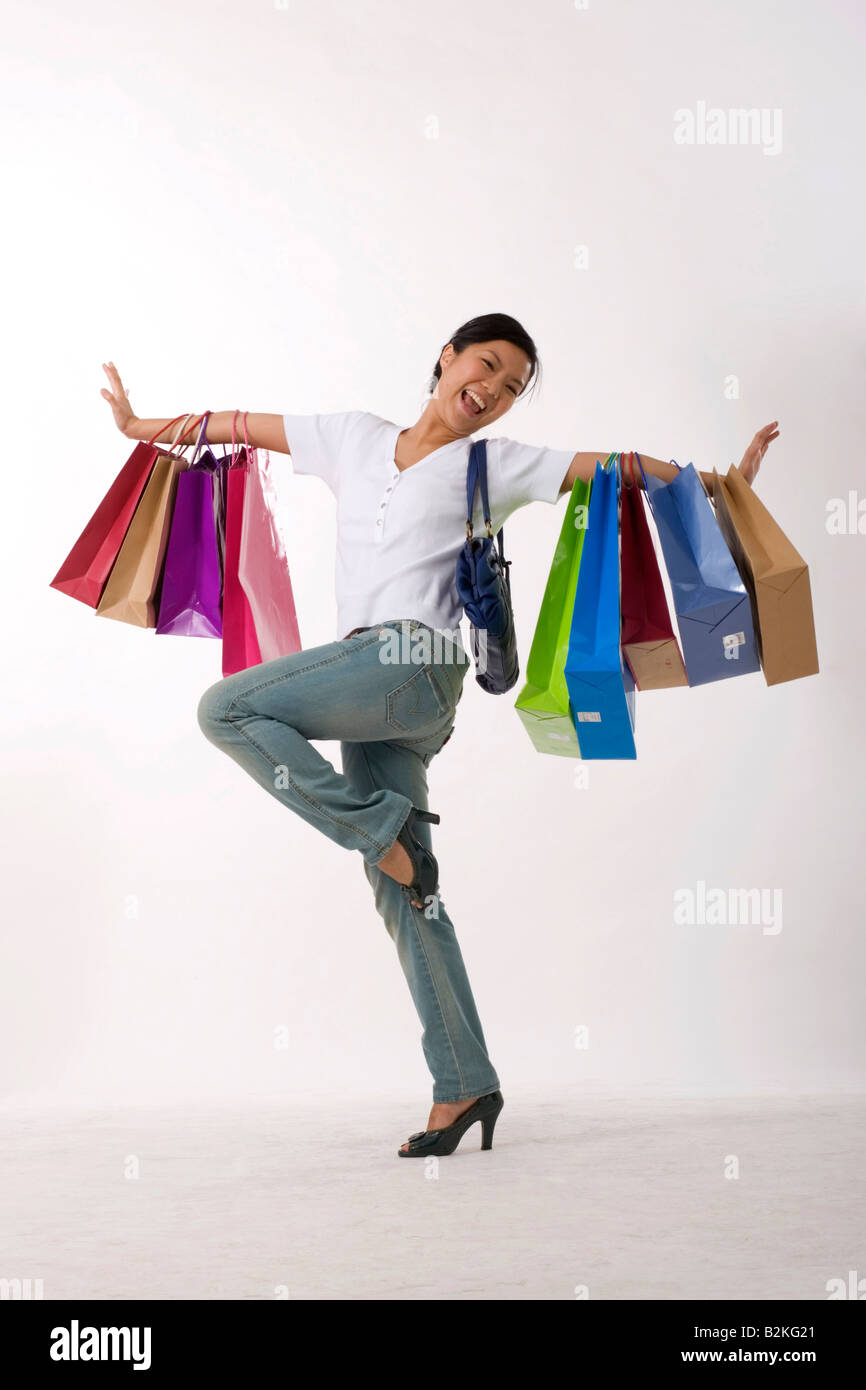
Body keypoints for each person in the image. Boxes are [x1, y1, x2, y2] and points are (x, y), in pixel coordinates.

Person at [100, 312, 779, 1157]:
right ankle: (465, 1086)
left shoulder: (494, 466)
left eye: (511, 387)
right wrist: (139, 427)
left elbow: (623, 469)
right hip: (369, 688)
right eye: (487, 365)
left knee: (226, 710)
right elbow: (237, 425)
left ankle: (381, 834)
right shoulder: (351, 437)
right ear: (447, 357)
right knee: (410, 895)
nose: (493, 390)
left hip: (416, 665)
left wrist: (722, 486)